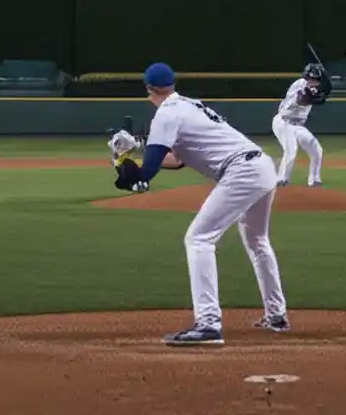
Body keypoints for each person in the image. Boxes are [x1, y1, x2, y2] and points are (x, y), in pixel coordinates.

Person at [109, 62, 289, 346]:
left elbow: (143, 177)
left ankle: (208, 324)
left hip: (240, 172)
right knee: (257, 240)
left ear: (148, 89)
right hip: (262, 166)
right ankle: (276, 315)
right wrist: (135, 155)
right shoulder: (188, 105)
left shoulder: (166, 114)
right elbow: (177, 160)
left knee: (199, 239)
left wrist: (121, 161)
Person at [273, 63, 330, 187]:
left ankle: (314, 179)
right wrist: (320, 97)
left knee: (316, 150)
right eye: (311, 78)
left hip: (298, 125)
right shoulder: (300, 84)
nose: (312, 81)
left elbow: (320, 93)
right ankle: (281, 179)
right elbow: (302, 100)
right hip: (283, 122)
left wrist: (325, 87)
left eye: (315, 79)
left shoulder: (314, 87)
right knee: (291, 151)